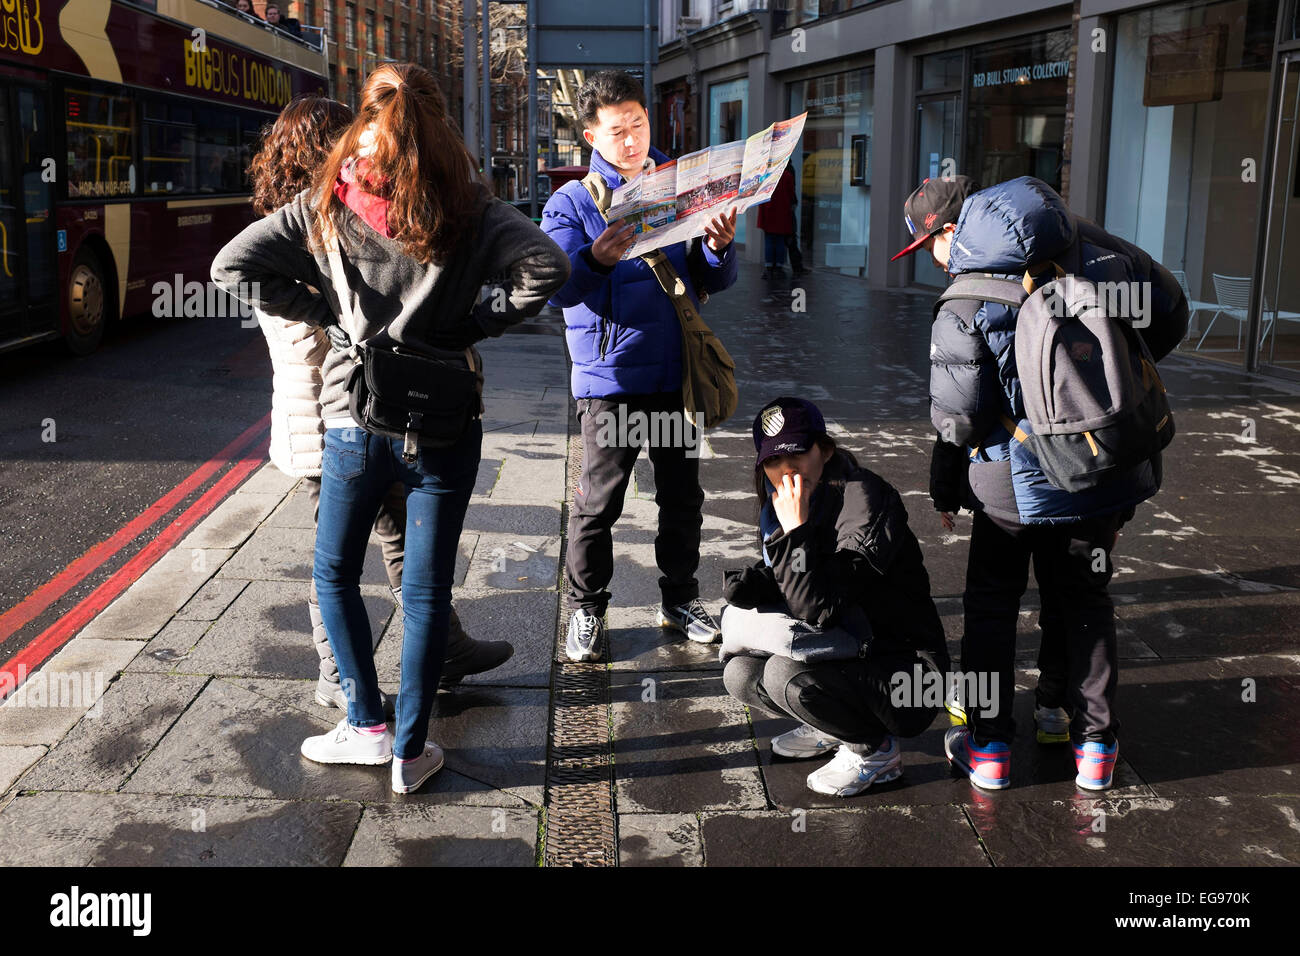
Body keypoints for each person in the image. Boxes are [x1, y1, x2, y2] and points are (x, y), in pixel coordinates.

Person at [212, 64, 570, 794]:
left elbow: (231, 265)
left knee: (335, 574)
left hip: (354, 416)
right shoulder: (469, 205)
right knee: (428, 588)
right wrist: (478, 322)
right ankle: (412, 754)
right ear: (440, 126)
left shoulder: (330, 198)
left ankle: (365, 729)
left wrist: (331, 317)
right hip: (444, 420)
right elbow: (548, 266)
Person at [892, 175, 1189, 792]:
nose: (934, 260)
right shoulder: (1095, 248)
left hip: (1011, 478)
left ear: (949, 232)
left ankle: (991, 748)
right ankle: (1091, 747)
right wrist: (1109, 390)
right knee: (1083, 599)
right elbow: (1171, 311)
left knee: (994, 606)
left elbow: (959, 417)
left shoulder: (965, 301)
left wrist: (948, 484)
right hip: (1106, 462)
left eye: (928, 247)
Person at [243, 94, 515, 719]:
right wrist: (346, 312)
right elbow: (308, 328)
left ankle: (444, 649)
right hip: (326, 423)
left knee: (395, 539)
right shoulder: (310, 226)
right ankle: (336, 678)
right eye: (356, 141)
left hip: (360, 416)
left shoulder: (334, 219)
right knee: (333, 563)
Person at [541, 70, 739, 663]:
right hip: (611, 380)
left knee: (683, 497)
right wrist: (596, 260)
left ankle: (679, 598)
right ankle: (586, 610)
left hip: (675, 375)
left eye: (639, 125)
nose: (632, 141)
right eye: (617, 131)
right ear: (590, 137)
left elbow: (710, 281)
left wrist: (717, 247)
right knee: (599, 503)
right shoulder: (572, 203)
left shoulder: (681, 186)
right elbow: (556, 291)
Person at [720, 397, 951, 797]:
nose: (786, 470)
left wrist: (794, 535)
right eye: (774, 461)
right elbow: (800, 581)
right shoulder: (789, 504)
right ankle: (829, 725)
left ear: (824, 449)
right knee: (739, 673)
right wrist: (754, 582)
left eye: (797, 454)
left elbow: (820, 606)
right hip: (850, 654)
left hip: (909, 675)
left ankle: (874, 751)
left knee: (782, 675)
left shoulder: (865, 498)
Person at [757, 165, 797, 280]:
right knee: (780, 241)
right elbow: (791, 195)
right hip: (782, 213)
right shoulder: (787, 176)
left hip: (768, 212)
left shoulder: (766, 176)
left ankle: (769, 268)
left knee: (769, 240)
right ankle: (778, 267)